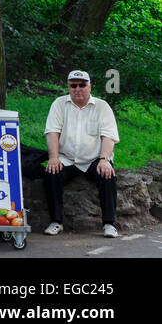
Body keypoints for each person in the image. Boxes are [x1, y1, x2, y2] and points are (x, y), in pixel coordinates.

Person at [42, 70, 120, 238]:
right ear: (68, 87)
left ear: (90, 86)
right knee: (51, 173)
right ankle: (56, 222)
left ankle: (109, 224)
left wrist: (105, 159)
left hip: (94, 158)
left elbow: (108, 136)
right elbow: (52, 132)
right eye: (73, 85)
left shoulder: (102, 106)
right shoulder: (59, 104)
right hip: (67, 158)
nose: (78, 89)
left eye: (82, 85)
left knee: (108, 175)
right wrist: (54, 157)